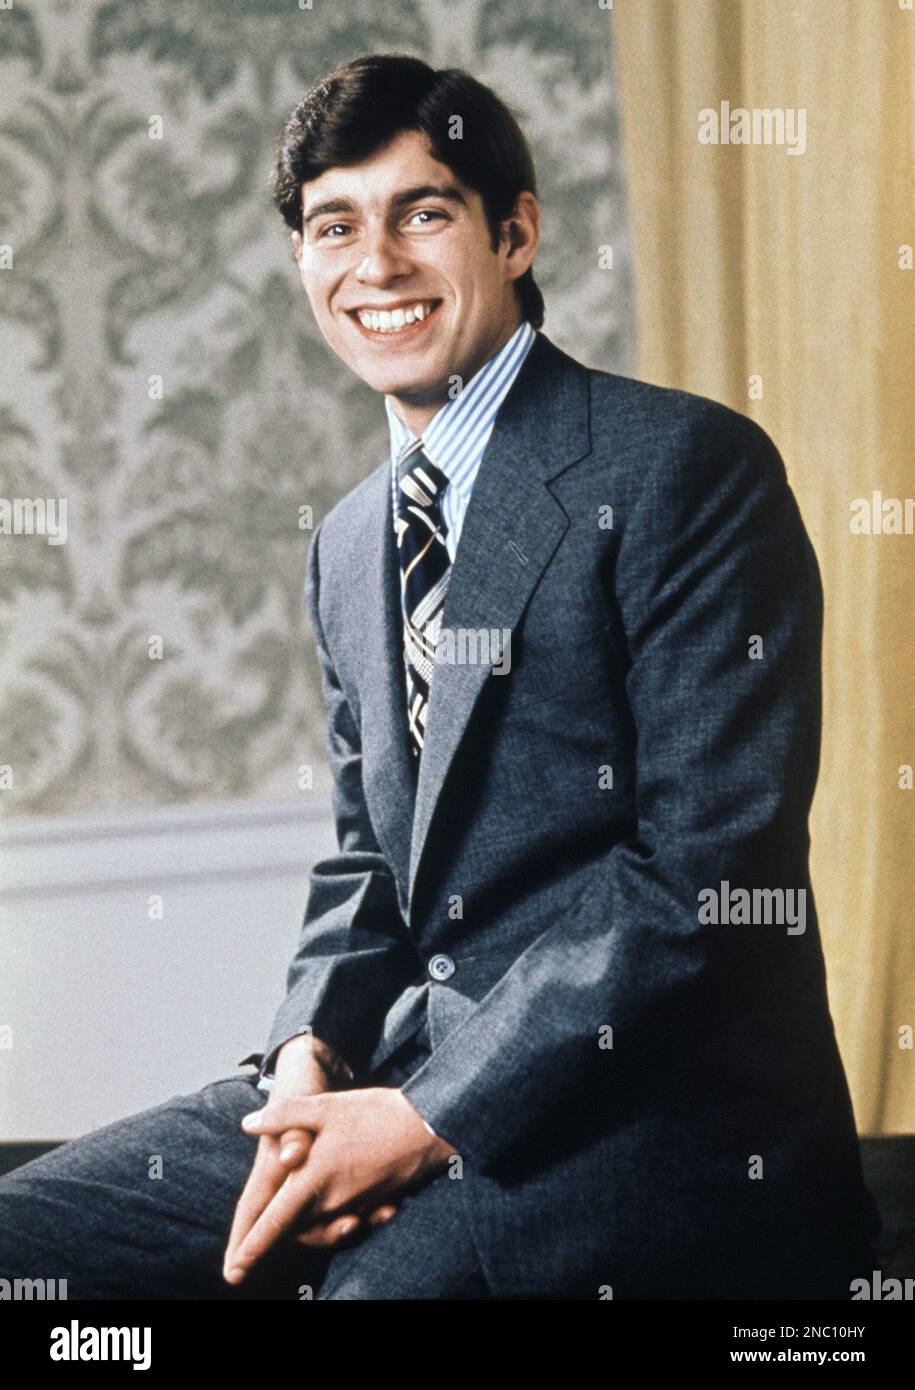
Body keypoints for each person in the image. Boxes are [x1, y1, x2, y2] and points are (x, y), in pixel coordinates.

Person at [0, 53, 880, 1300]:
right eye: (331, 227)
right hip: (397, 1076)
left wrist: (419, 1123)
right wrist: (309, 1055)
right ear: (303, 262)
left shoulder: (688, 467)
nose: (377, 266)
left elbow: (703, 880)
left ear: (513, 232)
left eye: (423, 213)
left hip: (656, 1124)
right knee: (23, 1248)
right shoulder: (352, 538)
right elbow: (370, 858)